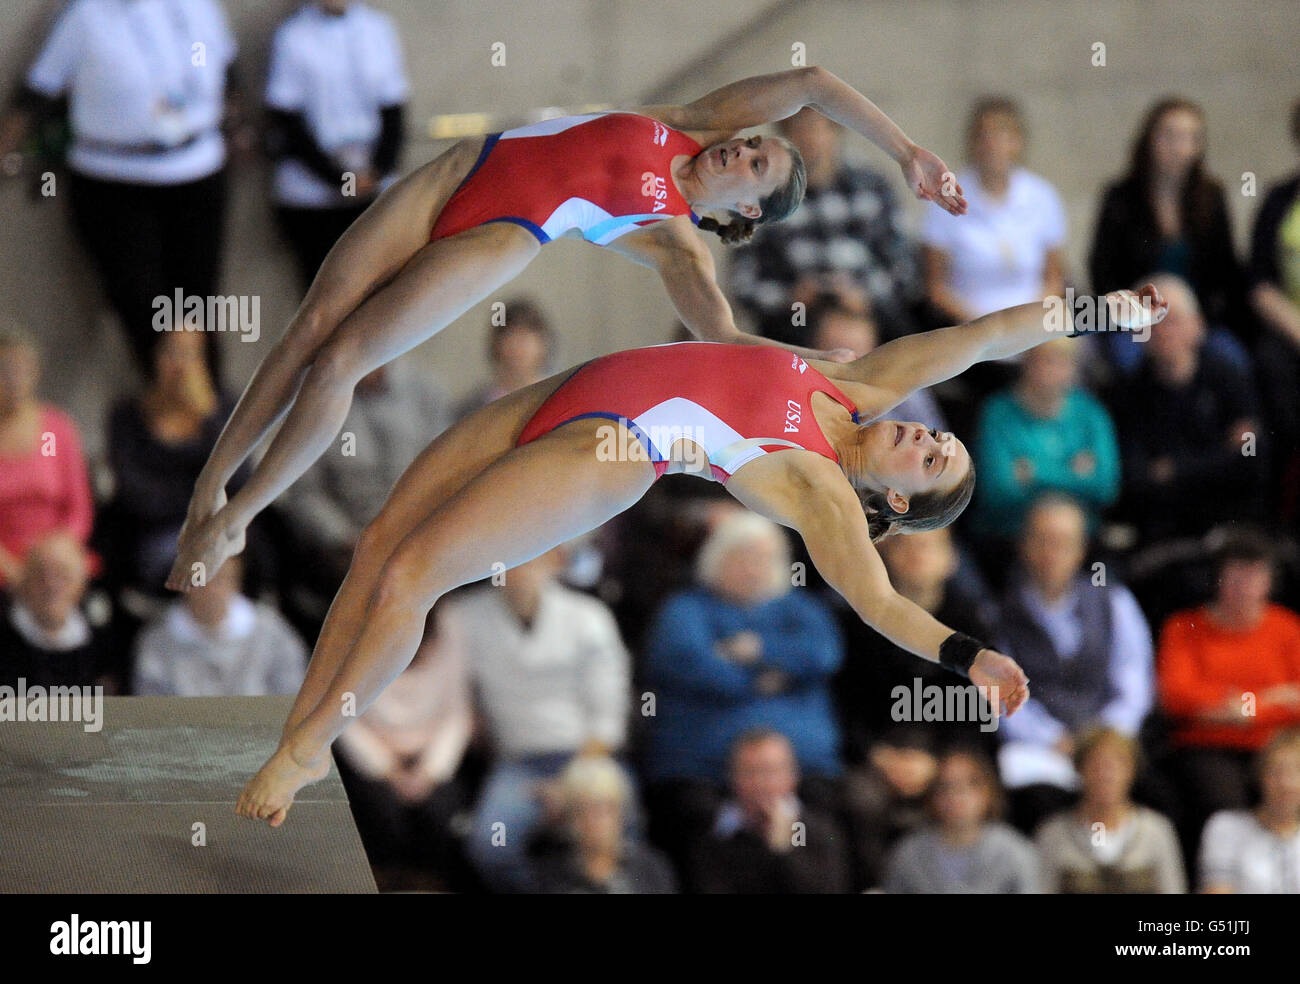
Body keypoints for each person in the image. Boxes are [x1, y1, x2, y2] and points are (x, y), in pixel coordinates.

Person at [232, 287, 1168, 827]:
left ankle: (309, 750)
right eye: (939, 442)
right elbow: (986, 337)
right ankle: (298, 732)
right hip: (573, 388)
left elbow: (883, 607)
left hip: (608, 452)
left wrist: (972, 655)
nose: (928, 443)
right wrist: (1105, 308)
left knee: (412, 577)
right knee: (377, 546)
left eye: (935, 463)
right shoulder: (853, 384)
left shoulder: (819, 492)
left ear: (895, 500)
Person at [166, 66, 968, 588]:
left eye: (756, 167)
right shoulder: (685, 122)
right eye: (753, 144)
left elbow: (720, 337)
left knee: (339, 361)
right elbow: (814, 83)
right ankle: (210, 488)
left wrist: (802, 358)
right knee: (309, 326)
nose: (744, 152)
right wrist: (907, 153)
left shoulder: (679, 244)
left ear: (749, 209)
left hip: (503, 228)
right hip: (463, 166)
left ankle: (241, 515)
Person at [0, 0, 241, 383]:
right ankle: (166, 413)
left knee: (199, 304)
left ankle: (212, 414)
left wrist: (237, 127)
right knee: (142, 306)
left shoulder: (197, 7)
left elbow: (228, 70)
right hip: (115, 181)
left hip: (195, 171)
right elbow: (37, 91)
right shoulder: (85, 16)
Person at [641, 510, 845, 847]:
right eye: (742, 557)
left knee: (836, 815)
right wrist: (766, 679)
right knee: (693, 817)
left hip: (805, 768)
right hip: (703, 767)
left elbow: (826, 654)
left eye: (765, 559)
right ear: (714, 560)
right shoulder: (684, 608)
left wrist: (760, 649)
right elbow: (686, 662)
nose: (753, 568)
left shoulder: (803, 608)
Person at [446, 546, 631, 893]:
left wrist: (572, 783)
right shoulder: (462, 617)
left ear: (555, 561)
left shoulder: (589, 616)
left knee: (623, 836)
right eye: (510, 560)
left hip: (589, 759)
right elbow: (454, 696)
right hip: (519, 766)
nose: (520, 570)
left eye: (531, 558)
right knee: (489, 846)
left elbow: (609, 712)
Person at [994, 496, 1155, 833]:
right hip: (1040, 752)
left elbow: (1134, 682)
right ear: (1024, 545)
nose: (1052, 553)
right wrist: (1052, 739)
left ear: (1081, 550)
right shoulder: (998, 614)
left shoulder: (1115, 601)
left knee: (1157, 793)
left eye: (1064, 542)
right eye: (1043, 540)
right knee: (1039, 805)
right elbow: (998, 695)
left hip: (1109, 743)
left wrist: (1104, 739)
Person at [1157, 530, 1300, 857]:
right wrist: (1272, 697)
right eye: (1236, 578)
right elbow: (1176, 695)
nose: (1245, 588)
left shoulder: (1288, 627)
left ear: (1269, 581)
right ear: (1218, 579)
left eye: (1254, 577)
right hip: (1208, 745)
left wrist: (1248, 707)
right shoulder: (1184, 626)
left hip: (1277, 743)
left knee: (1288, 783)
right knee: (1222, 805)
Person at [920, 97, 1067, 416]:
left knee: (1058, 362)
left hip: (1033, 325)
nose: (994, 144)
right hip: (970, 326)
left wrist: (1034, 321)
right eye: (985, 135)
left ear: (1018, 142)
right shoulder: (948, 197)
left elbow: (1054, 275)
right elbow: (935, 287)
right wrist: (983, 325)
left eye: (1003, 134)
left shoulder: (1041, 196)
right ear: (972, 143)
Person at [726, 105, 922, 341]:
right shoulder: (761, 196)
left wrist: (862, 295)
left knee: (903, 336)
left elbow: (905, 269)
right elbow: (743, 284)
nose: (810, 138)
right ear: (784, 136)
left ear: (836, 130)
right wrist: (791, 296)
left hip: (868, 312)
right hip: (796, 317)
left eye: (817, 129)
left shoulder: (873, 186)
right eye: (799, 130)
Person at [1089, 97, 1252, 375]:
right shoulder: (1120, 199)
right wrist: (1134, 316)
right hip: (1135, 319)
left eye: (1189, 138)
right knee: (1129, 362)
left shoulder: (1212, 198)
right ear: (1149, 140)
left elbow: (1225, 271)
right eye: (1170, 136)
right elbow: (1102, 269)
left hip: (1195, 318)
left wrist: (1197, 321)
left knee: (1232, 360)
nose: (1179, 147)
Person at [1106, 274, 1265, 546]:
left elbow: (1251, 459)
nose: (1162, 331)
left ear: (1198, 325)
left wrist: (1173, 469)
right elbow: (1135, 481)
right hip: (1165, 533)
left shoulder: (1230, 379)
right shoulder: (1125, 395)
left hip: (1234, 525)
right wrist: (1217, 457)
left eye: (1172, 320)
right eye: (1151, 323)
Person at [265, 0, 409, 290]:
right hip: (315, 192)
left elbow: (394, 108)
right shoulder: (293, 36)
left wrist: (378, 169)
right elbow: (287, 120)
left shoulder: (376, 28)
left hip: (371, 185)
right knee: (324, 294)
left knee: (378, 295)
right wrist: (339, 179)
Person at [332, 606, 473, 891]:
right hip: (373, 761)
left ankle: (431, 884)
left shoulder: (450, 626)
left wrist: (430, 770)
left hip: (431, 758)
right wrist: (386, 769)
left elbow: (457, 713)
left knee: (441, 811)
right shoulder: (351, 629)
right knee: (382, 814)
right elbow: (344, 716)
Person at [968, 337, 1120, 550]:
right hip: (1008, 537)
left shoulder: (1091, 412)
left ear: (1074, 367)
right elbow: (997, 491)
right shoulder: (996, 412)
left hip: (1080, 538)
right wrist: (1073, 474)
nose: (1050, 369)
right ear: (1026, 361)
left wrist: (1034, 471)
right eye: (1043, 359)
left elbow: (1106, 488)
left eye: (1061, 361)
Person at [683, 729, 852, 893]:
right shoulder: (714, 836)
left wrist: (784, 850)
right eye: (750, 772)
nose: (760, 783)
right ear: (732, 779)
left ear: (792, 777)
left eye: (770, 772)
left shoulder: (820, 830)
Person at [1035, 727, 1185, 894]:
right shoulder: (1054, 834)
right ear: (1079, 769)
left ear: (1132, 771)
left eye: (1116, 765)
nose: (1105, 775)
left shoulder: (1156, 831)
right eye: (1096, 765)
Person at [0, 325, 94, 590]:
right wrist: (9, 566)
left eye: (20, 369)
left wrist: (54, 550)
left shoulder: (51, 433)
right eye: (4, 370)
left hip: (55, 554)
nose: (13, 379)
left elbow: (77, 508)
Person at [131, 556, 307, 696]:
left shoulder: (272, 633)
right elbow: (152, 705)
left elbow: (291, 694)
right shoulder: (156, 642)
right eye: (201, 581)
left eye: (220, 579)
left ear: (236, 582)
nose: (211, 590)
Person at [882, 747, 1041, 893]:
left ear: (988, 792)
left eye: (968, 785)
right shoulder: (908, 854)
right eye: (945, 786)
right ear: (932, 795)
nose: (955, 797)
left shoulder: (1015, 852)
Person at [533, 755, 677, 894]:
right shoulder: (548, 876)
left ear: (621, 813)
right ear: (570, 817)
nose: (595, 820)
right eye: (583, 809)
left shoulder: (649, 868)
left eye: (605, 808)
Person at [0, 532, 114, 691]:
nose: (51, 585)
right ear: (25, 579)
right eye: (41, 574)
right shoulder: (5, 637)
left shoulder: (101, 648)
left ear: (81, 584)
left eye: (63, 575)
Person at [1199, 728, 1300, 893]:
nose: (1286, 783)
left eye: (1297, 772)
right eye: (1276, 772)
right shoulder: (1226, 827)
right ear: (1260, 776)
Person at [453, 298, 557, 419]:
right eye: (511, 335)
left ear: (543, 343)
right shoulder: (472, 410)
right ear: (496, 344)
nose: (518, 345)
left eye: (525, 336)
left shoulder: (558, 399)